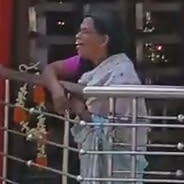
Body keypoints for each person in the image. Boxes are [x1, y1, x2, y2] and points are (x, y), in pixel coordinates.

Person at [43, 11, 149, 182]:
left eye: (85, 31)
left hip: (118, 163)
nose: (77, 36)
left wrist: (79, 109)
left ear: (104, 40)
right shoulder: (83, 62)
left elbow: (114, 130)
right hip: (91, 156)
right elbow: (50, 70)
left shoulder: (123, 74)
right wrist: (57, 92)